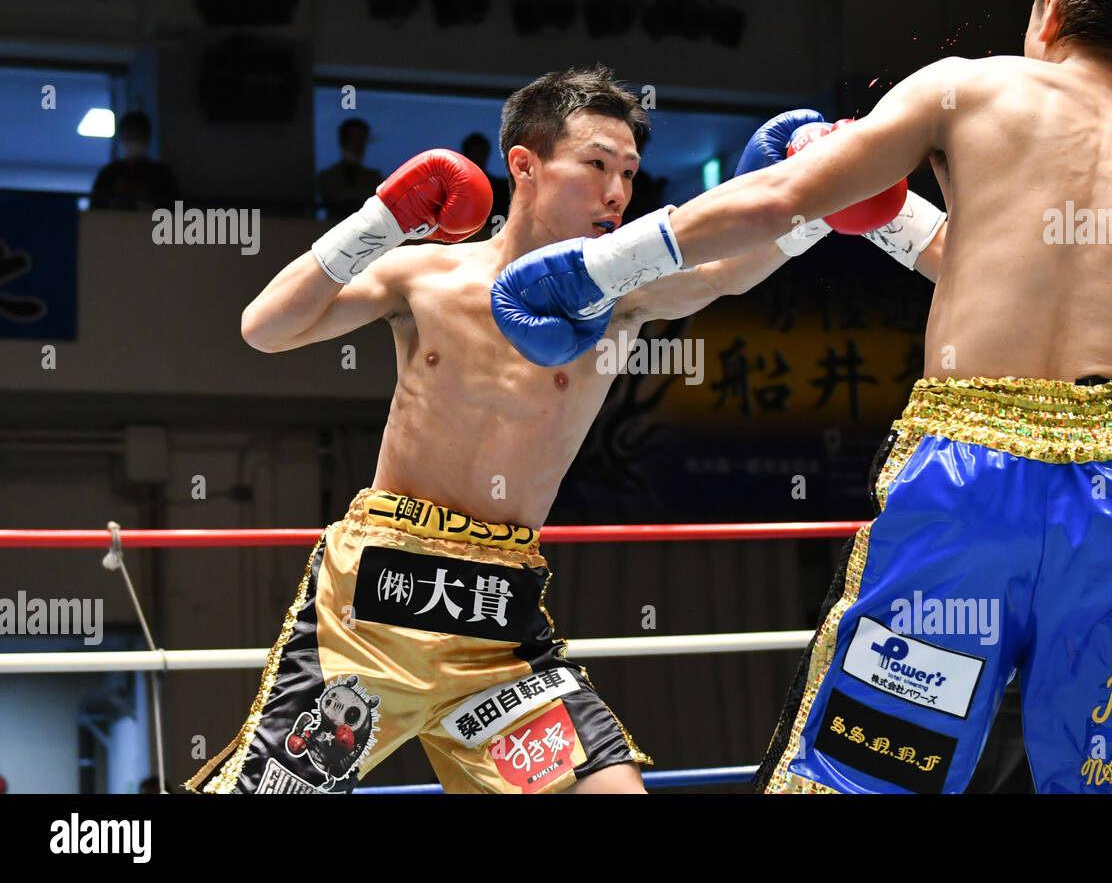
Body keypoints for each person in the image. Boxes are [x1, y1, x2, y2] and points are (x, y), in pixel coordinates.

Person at [489, 0, 1112, 793]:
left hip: (967, 477)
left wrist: (598, 266)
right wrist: (899, 217)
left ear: (1050, 11)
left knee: (870, 763)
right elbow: (1015, 263)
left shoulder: (966, 87)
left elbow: (783, 197)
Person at [186, 66, 822, 795]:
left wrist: (817, 197)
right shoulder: (424, 275)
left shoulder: (621, 294)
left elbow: (727, 270)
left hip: (498, 624)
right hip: (376, 606)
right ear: (525, 164)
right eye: (596, 165)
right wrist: (380, 220)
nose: (617, 192)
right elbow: (266, 328)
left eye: (628, 172)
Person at [89, 111, 178, 211]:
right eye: (130, 136)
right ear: (122, 137)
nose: (134, 141)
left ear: (148, 138)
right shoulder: (108, 174)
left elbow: (174, 209)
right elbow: (94, 209)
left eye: (139, 136)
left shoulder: (162, 174)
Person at [318, 118, 383, 221]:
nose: (358, 146)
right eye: (353, 140)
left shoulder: (374, 178)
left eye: (361, 141)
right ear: (342, 142)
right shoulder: (327, 177)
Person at [459, 131, 512, 241]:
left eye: (481, 153)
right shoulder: (451, 188)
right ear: (466, 154)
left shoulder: (503, 189)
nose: (477, 158)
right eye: (474, 152)